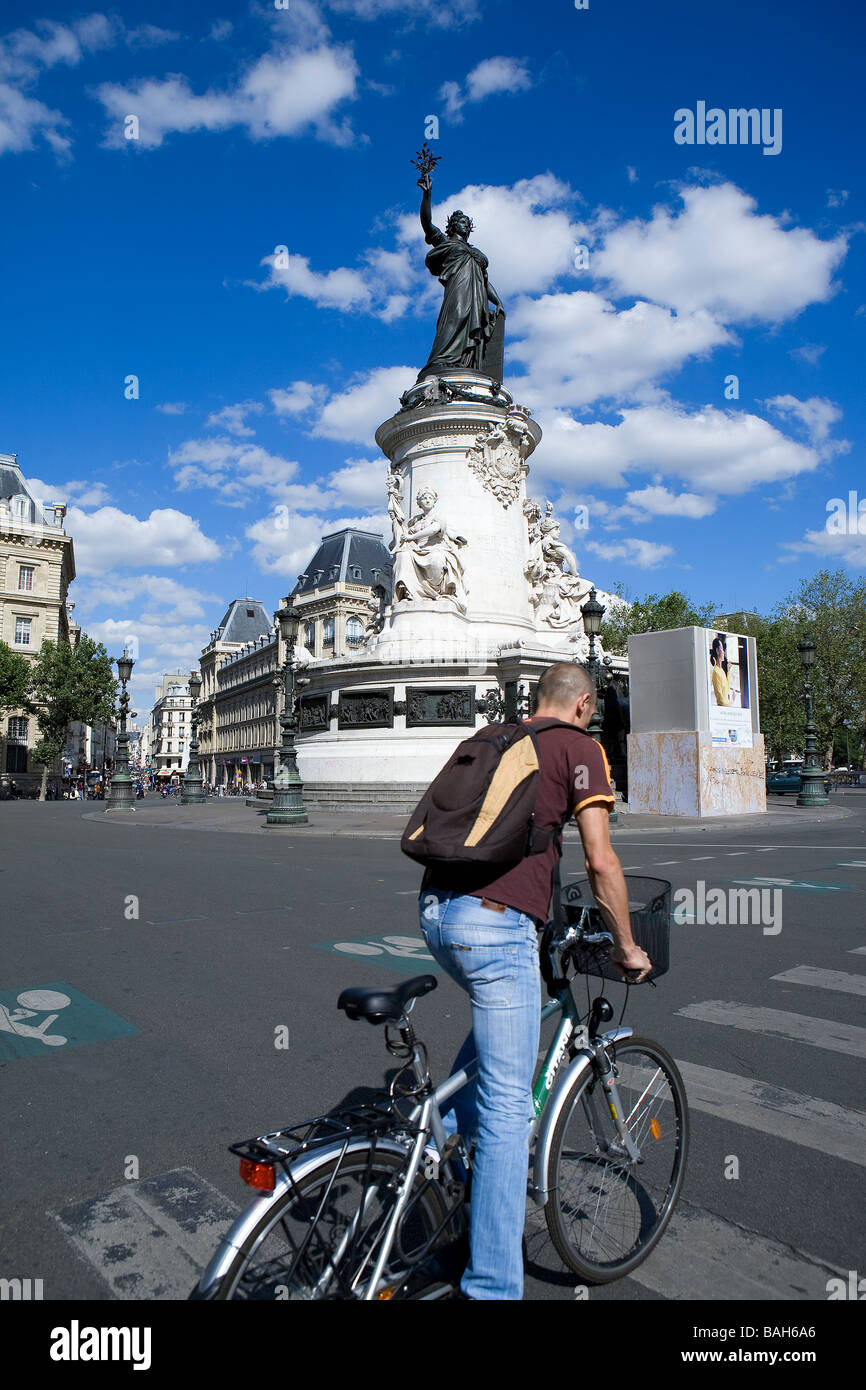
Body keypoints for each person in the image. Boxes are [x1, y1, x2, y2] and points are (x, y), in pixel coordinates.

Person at [418, 662, 652, 1301]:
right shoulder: (581, 748)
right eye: (593, 709)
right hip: (496, 928)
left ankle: (446, 1159)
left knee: (494, 1047)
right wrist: (628, 946)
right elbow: (600, 861)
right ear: (582, 704)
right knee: (508, 1110)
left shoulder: (502, 738)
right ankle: (493, 1285)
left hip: (438, 913)